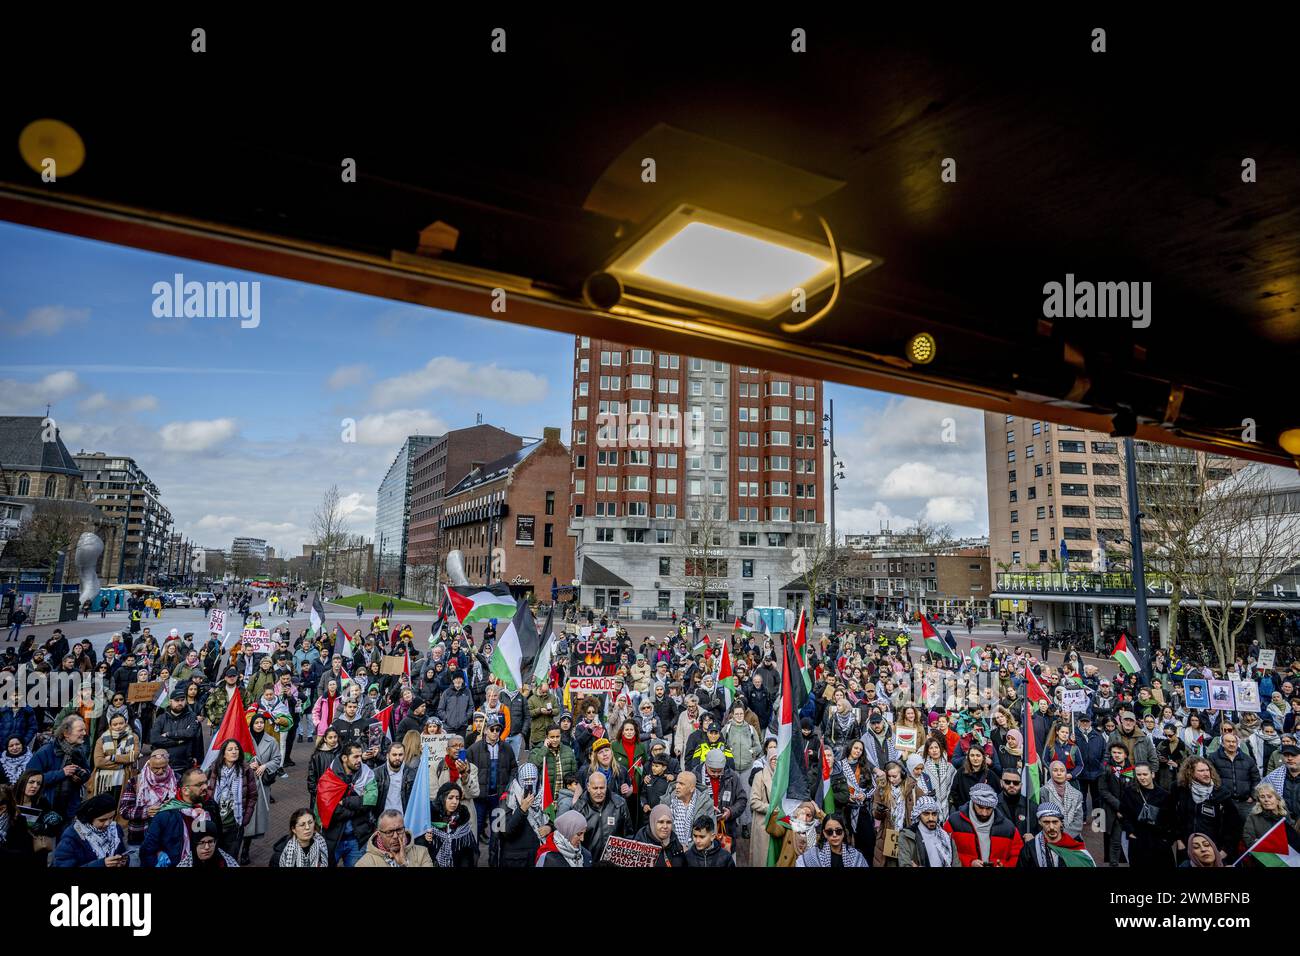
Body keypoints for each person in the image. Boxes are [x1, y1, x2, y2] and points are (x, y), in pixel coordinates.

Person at [141, 766, 221, 867]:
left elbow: (218, 838)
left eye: (206, 782)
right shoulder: (165, 815)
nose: (205, 787)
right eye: (200, 784)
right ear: (185, 790)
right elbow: (147, 851)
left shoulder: (210, 806)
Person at [1171, 756, 1241, 865]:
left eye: (1207, 770)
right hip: (1187, 847)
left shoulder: (1221, 793)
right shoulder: (1179, 789)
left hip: (1213, 849)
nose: (1206, 773)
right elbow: (1172, 815)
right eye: (1201, 771)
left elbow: (1234, 825)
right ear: (1190, 773)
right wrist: (1179, 839)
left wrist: (1226, 850)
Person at [26, 714, 91, 828]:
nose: (84, 734)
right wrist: (62, 773)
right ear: (66, 733)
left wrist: (82, 775)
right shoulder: (46, 751)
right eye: (80, 730)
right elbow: (29, 779)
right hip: (48, 807)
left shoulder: (79, 751)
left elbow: (87, 771)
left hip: (71, 808)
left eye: (84, 730)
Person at [118, 748, 177, 865]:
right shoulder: (136, 782)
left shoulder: (176, 780)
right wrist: (146, 812)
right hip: (139, 837)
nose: (160, 771)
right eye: (156, 768)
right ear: (149, 764)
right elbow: (124, 810)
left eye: (164, 768)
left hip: (165, 838)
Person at [944, 782, 1024, 867]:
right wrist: (969, 863)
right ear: (973, 802)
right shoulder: (954, 822)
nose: (984, 813)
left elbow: (1018, 855)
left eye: (989, 808)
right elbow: (945, 851)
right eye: (980, 807)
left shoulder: (1008, 828)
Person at [50, 791, 128, 867]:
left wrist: (123, 862)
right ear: (90, 818)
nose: (108, 823)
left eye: (111, 818)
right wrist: (101, 864)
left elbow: (122, 853)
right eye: (102, 820)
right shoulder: (72, 838)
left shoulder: (114, 829)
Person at [1119, 763, 1173, 868]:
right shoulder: (1130, 793)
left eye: (1145, 774)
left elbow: (1171, 818)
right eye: (1139, 775)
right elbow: (1124, 814)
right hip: (1138, 840)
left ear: (1152, 774)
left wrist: (1167, 839)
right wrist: (1130, 832)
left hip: (1159, 841)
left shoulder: (1164, 795)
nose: (1142, 778)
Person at [1017, 802, 1096, 867]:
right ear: (1040, 823)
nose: (1051, 827)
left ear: (1061, 823)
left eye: (1055, 822)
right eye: (1046, 822)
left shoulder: (1075, 847)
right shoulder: (1030, 849)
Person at [871, 760, 916, 867]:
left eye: (894, 776)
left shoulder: (912, 788)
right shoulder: (881, 788)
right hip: (888, 835)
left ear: (903, 774)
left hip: (906, 834)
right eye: (889, 776)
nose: (891, 780)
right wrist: (879, 811)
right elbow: (875, 813)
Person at [357, 808, 434, 867]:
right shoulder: (365, 863)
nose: (395, 836)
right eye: (389, 832)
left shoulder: (422, 853)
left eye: (399, 830)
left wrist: (404, 864)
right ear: (379, 835)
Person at [898, 795, 958, 867]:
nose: (931, 818)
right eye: (926, 814)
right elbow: (905, 864)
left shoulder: (947, 838)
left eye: (934, 814)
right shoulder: (907, 836)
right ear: (919, 815)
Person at [796, 810, 867, 867]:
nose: (834, 835)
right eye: (829, 832)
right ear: (824, 833)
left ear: (844, 832)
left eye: (838, 831)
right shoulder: (813, 855)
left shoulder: (856, 856)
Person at [635, 803, 688, 867]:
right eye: (661, 822)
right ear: (653, 822)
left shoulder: (675, 842)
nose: (665, 826)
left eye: (668, 822)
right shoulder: (641, 842)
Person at [1242, 782, 1291, 850]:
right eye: (1262, 797)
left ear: (1277, 799)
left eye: (1269, 796)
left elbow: (1292, 839)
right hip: (1263, 856)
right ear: (1259, 800)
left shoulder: (1285, 815)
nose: (1266, 800)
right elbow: (1248, 839)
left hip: (1284, 857)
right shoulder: (1253, 816)